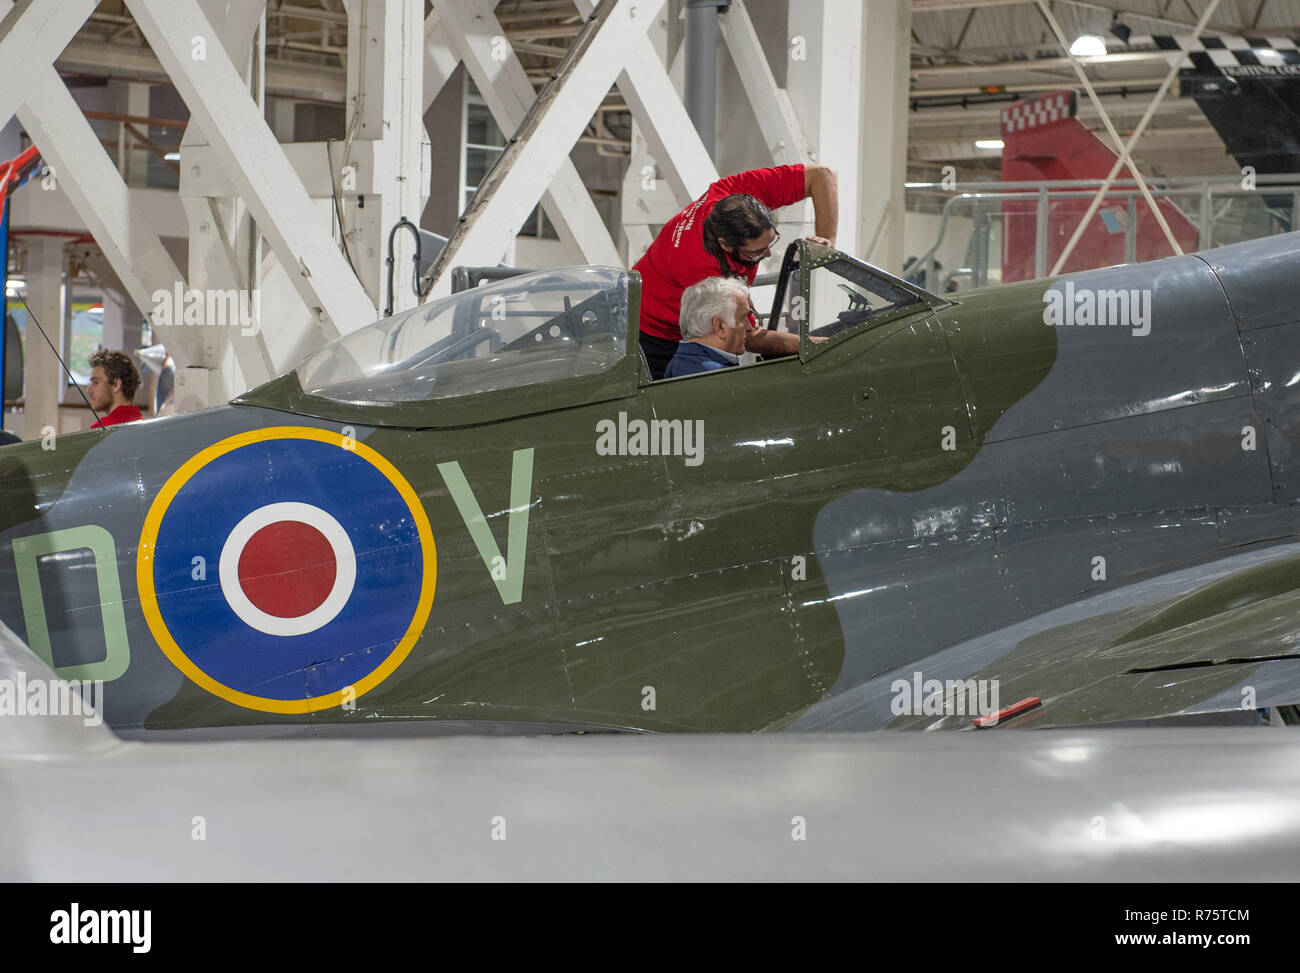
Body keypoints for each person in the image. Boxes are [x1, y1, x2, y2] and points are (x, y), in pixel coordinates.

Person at [636, 164, 838, 380]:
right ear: (726, 245)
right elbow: (746, 336)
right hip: (651, 331)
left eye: (771, 240)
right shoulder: (702, 268)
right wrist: (819, 344)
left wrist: (826, 244)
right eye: (757, 252)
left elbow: (821, 176)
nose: (768, 254)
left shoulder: (737, 195)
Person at [663, 276, 752, 379]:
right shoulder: (716, 377)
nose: (749, 327)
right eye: (742, 318)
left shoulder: (684, 365)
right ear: (719, 326)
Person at [87, 349, 143, 428]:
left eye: (96, 382)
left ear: (116, 384)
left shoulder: (102, 429)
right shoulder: (144, 425)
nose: (89, 390)